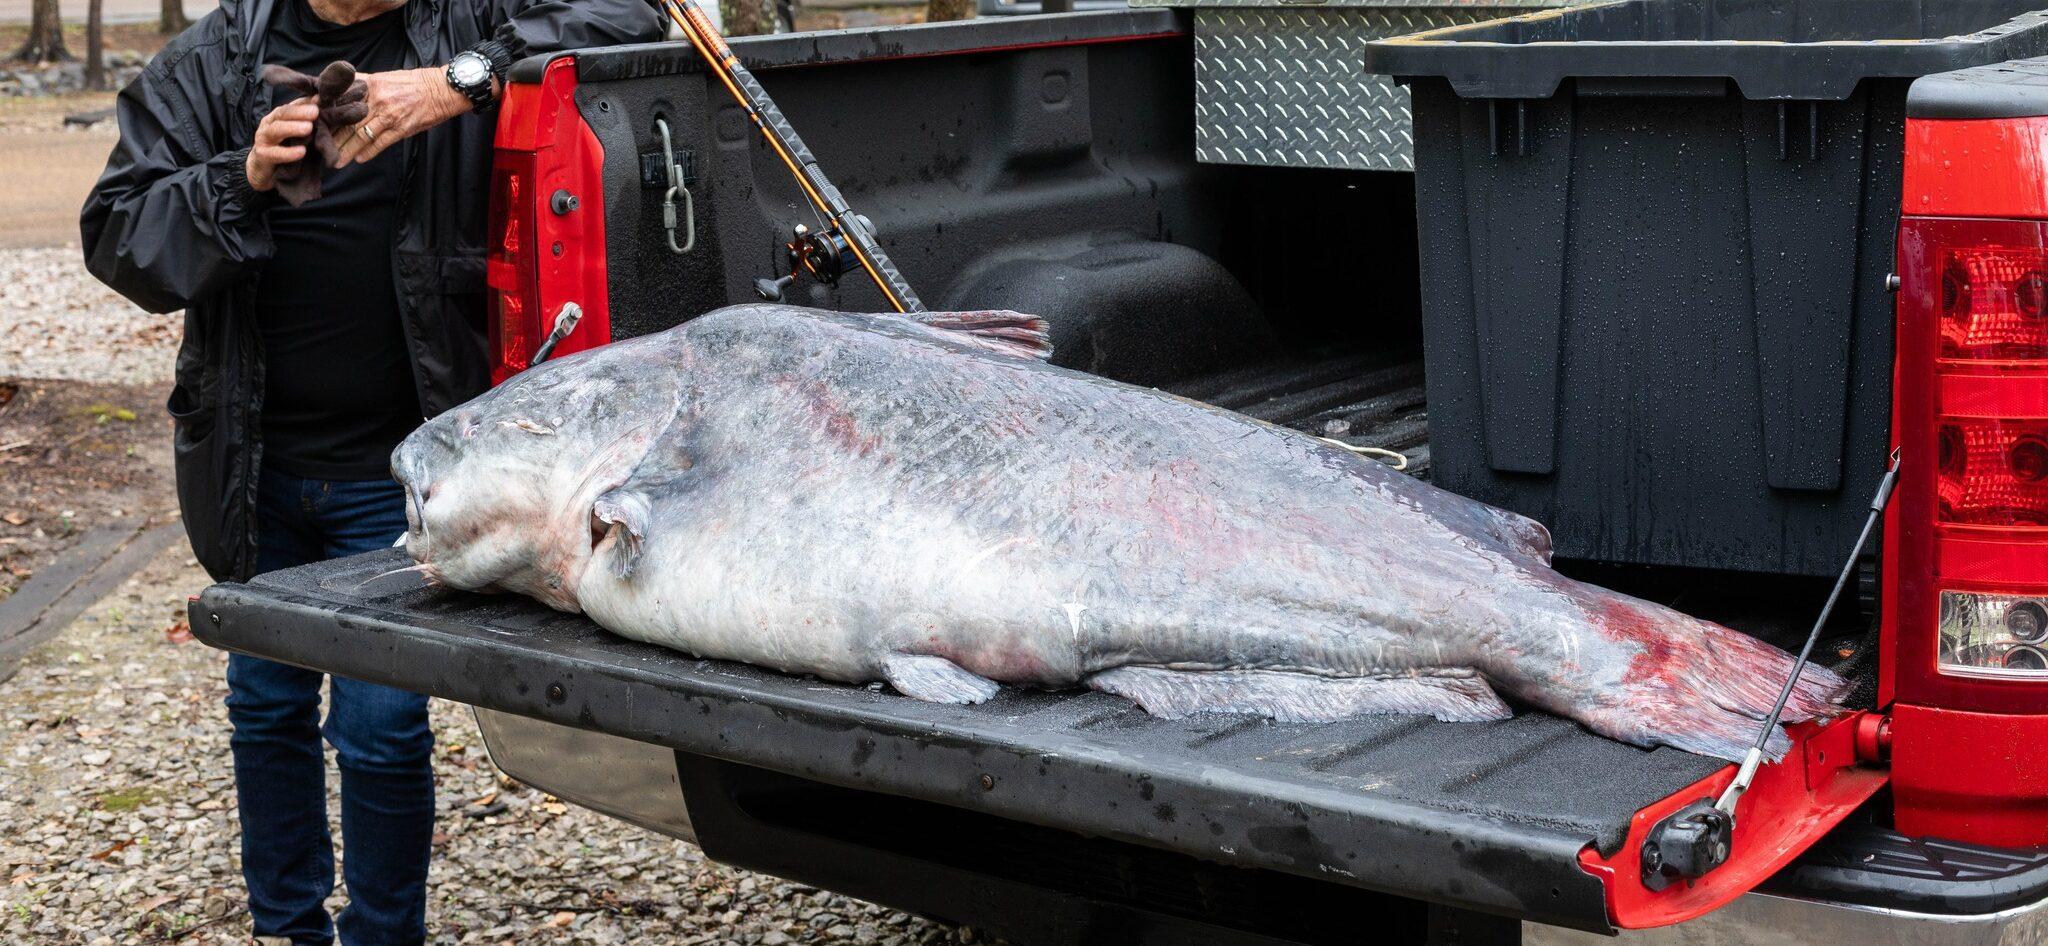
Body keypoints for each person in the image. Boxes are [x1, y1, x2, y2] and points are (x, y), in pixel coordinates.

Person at [78, 0, 662, 939]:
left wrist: (457, 82)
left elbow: (633, 16)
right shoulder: (216, 59)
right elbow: (118, 236)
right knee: (265, 707)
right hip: (254, 463)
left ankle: (386, 935)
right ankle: (288, 926)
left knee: (385, 731)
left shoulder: (463, 21)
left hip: (400, 472)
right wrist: (246, 177)